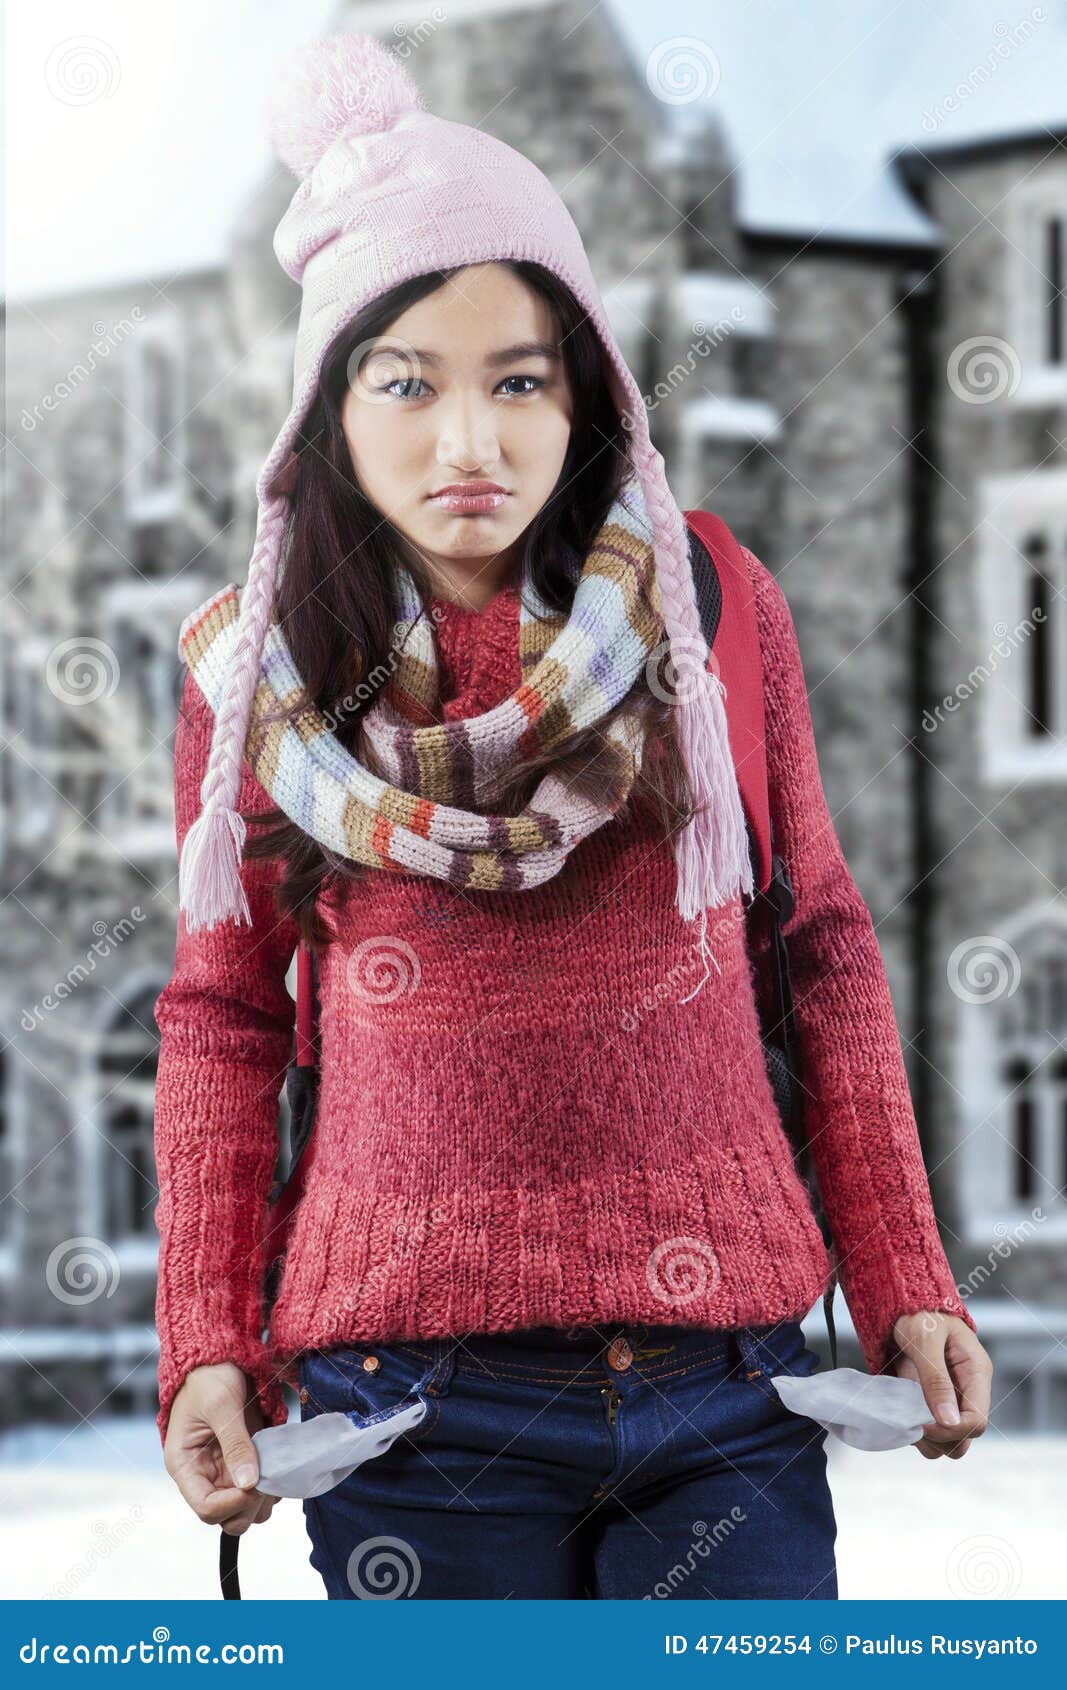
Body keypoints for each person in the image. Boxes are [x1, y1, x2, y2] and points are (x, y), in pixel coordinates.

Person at [153, 32, 992, 1601]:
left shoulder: (713, 612)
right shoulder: (259, 674)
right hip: (407, 1406)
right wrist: (205, 1333)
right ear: (329, 404)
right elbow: (220, 1017)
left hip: (725, 1394)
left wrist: (903, 1271)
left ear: (587, 385)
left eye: (519, 379)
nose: (468, 441)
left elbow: (818, 945)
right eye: (406, 382)